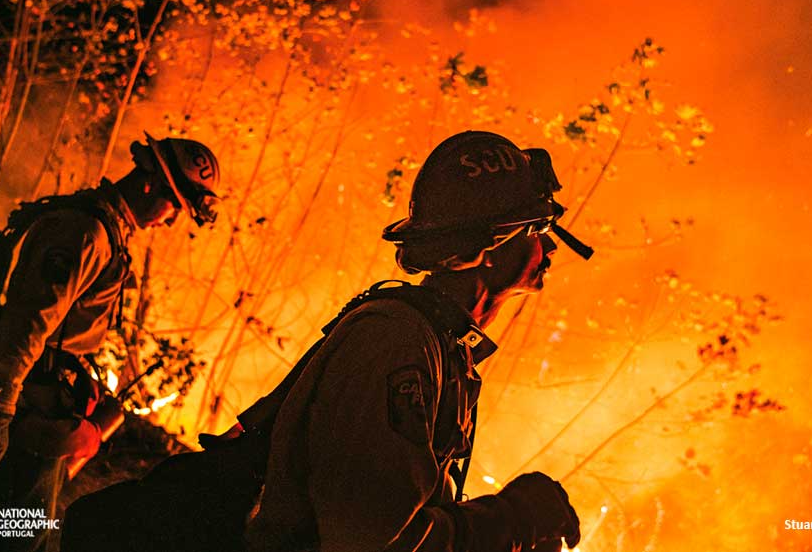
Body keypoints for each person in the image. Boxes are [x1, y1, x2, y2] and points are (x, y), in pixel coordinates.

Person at [242, 130, 593, 552]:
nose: (551, 245)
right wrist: (510, 522)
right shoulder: (396, 343)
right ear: (488, 247)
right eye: (537, 229)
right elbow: (374, 540)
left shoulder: (444, 349)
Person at [0, 133, 220, 551]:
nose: (172, 219)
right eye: (174, 203)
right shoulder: (85, 233)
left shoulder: (105, 230)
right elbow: (30, 319)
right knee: (20, 529)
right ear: (149, 181)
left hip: (45, 399)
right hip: (30, 405)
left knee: (17, 522)